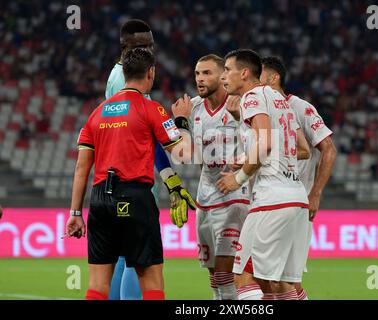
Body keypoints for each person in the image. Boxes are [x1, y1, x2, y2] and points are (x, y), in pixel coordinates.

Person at [65, 48, 187, 300]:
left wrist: (75, 213)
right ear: (150, 73)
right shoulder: (151, 108)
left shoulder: (96, 113)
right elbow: (183, 154)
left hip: (100, 200)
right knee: (151, 281)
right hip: (135, 197)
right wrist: (183, 121)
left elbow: (81, 168)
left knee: (97, 286)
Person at [105, 19, 195, 300]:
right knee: (139, 259)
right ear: (125, 47)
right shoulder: (130, 84)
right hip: (134, 182)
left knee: (121, 257)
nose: (148, 49)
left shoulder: (117, 78)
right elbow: (168, 143)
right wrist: (182, 121)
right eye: (140, 45)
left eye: (150, 44)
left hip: (112, 183)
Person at [217, 49, 311, 300]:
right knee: (279, 284)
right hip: (297, 199)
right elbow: (302, 150)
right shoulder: (280, 99)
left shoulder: (252, 97)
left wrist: (237, 179)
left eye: (227, 70)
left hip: (272, 199)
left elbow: (267, 142)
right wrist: (249, 158)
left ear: (245, 73)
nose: (223, 76)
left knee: (244, 277)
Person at [171, 54, 250, 300]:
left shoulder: (241, 104)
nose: (200, 79)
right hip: (205, 199)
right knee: (215, 278)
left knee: (227, 276)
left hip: (234, 197)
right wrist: (180, 122)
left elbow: (263, 143)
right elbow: (183, 156)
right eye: (197, 74)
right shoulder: (192, 107)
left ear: (223, 76)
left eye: (207, 73)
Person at [260, 56, 336, 300]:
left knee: (284, 279)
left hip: (294, 202)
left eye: (258, 75)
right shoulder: (257, 108)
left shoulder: (300, 107)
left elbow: (329, 149)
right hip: (266, 200)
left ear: (274, 78)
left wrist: (315, 193)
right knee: (268, 278)